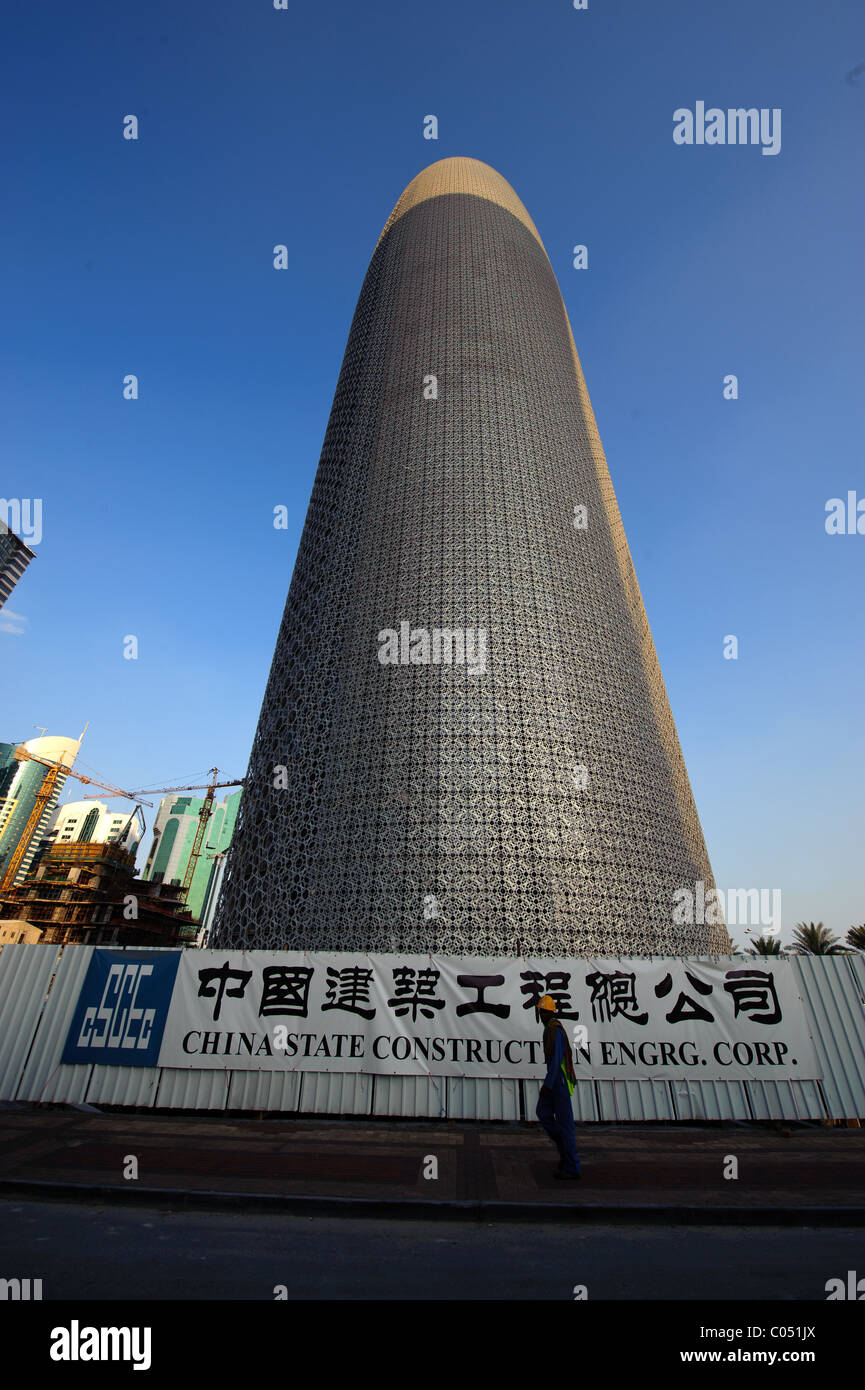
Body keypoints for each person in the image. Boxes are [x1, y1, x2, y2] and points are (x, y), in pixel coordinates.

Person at [535, 994, 581, 1180]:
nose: (540, 1015)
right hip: (555, 1081)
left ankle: (572, 1166)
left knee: (565, 1125)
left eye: (541, 1012)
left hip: (558, 1082)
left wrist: (548, 1084)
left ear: (546, 1013)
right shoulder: (550, 1030)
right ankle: (564, 1149)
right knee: (543, 1113)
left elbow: (556, 1060)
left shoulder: (555, 1031)